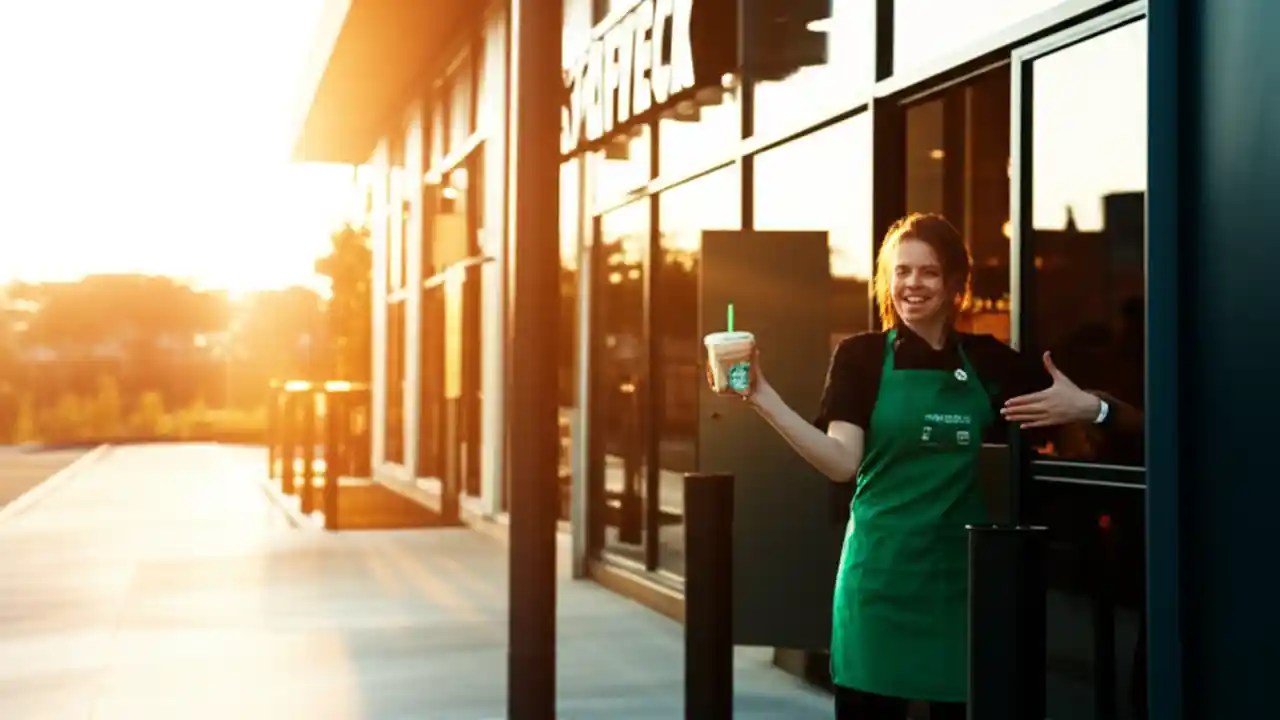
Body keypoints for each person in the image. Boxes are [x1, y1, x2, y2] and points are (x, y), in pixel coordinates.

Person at [712, 213, 1132, 719]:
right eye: (902, 271)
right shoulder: (861, 357)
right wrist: (760, 395)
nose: (913, 284)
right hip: (880, 582)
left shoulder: (991, 363)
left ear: (956, 284)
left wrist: (1092, 409)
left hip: (962, 589)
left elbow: (1115, 414)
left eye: (929, 272)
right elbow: (842, 462)